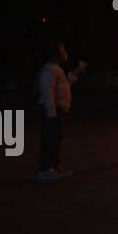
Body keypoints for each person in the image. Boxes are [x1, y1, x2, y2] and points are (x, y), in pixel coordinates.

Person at [36, 40, 85, 182]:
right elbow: (47, 92)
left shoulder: (55, 69)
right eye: (63, 50)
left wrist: (76, 72)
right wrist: (51, 113)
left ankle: (53, 167)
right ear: (55, 54)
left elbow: (63, 85)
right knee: (50, 139)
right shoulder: (49, 70)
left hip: (57, 110)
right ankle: (46, 169)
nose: (65, 53)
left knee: (56, 138)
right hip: (52, 110)